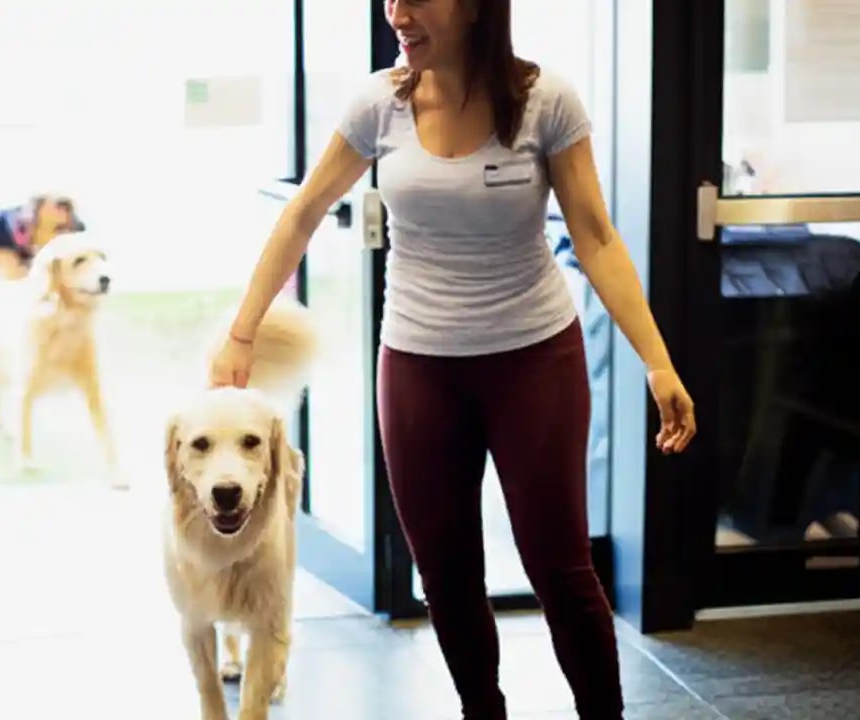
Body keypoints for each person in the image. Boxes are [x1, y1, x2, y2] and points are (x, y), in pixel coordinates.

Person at [209, 1, 696, 717]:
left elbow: (594, 237)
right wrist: (242, 332)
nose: (398, 14)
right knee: (446, 574)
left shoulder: (544, 100)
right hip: (418, 365)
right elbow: (303, 211)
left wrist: (657, 360)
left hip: (534, 361)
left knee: (560, 571)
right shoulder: (380, 102)